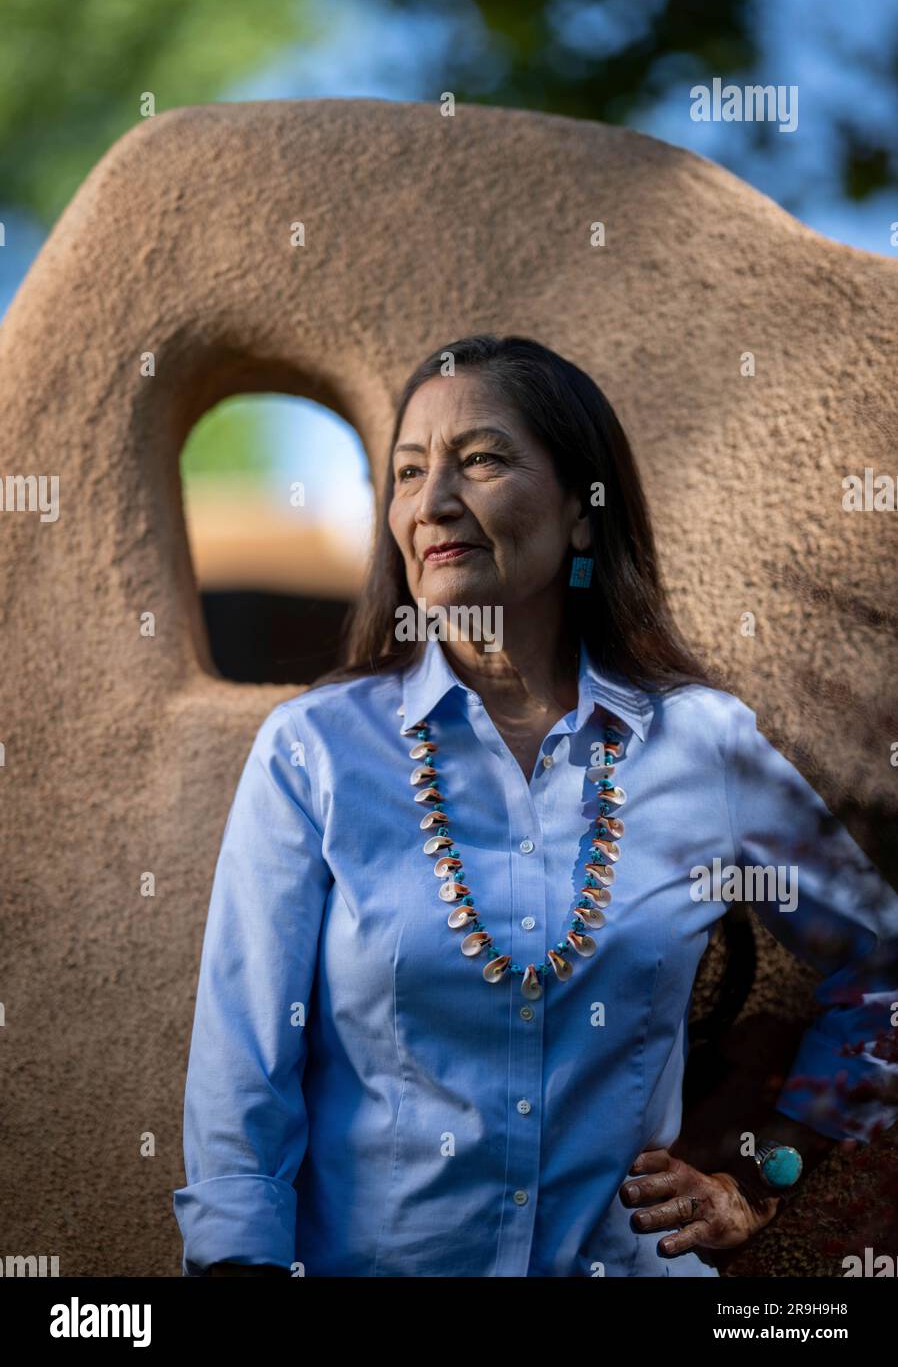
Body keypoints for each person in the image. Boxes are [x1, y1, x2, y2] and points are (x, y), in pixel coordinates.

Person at [173, 334, 898, 1277]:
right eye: (406, 471)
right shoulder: (315, 753)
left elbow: (882, 973)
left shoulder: (705, 748)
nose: (430, 504)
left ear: (583, 513)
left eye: (479, 460)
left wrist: (761, 1170)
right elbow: (241, 1086)